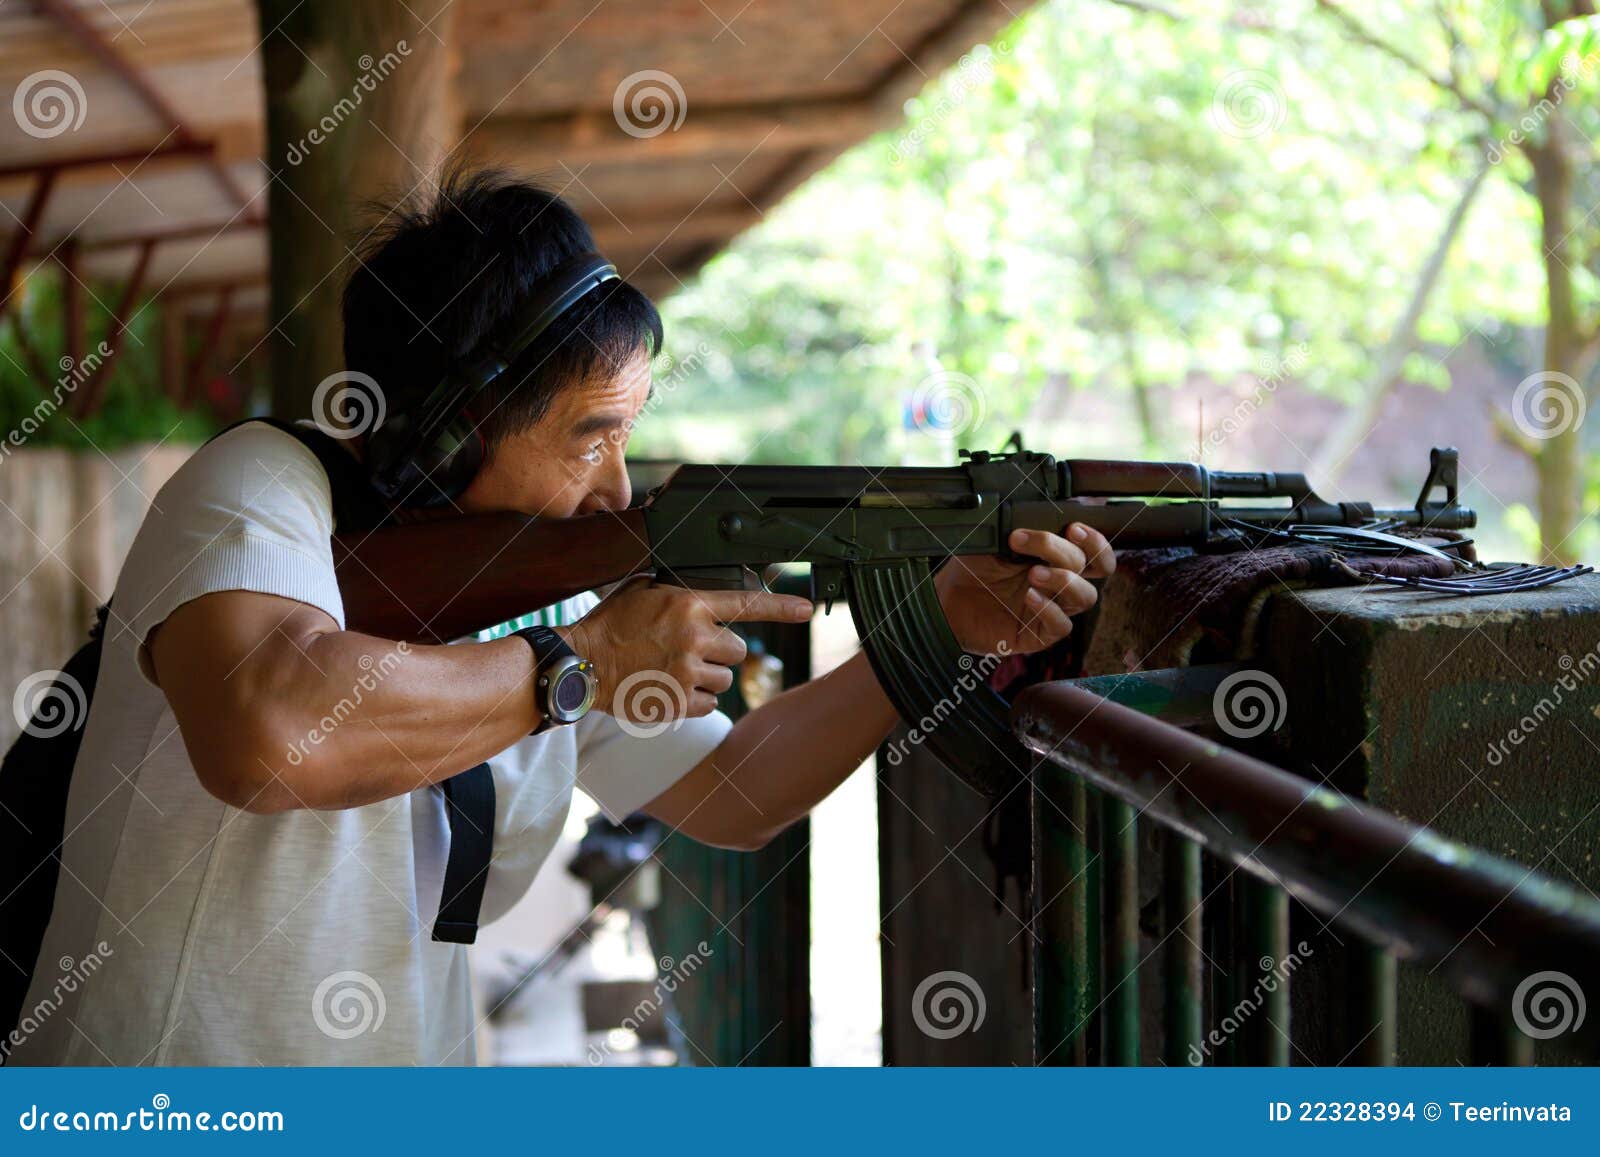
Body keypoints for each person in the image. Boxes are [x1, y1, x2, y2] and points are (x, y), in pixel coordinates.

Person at [10, 169, 1112, 1066]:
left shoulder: (544, 585)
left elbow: (735, 791)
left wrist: (935, 630)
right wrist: (570, 663)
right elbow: (267, 732)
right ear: (453, 429)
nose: (619, 490)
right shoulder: (258, 485)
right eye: (589, 435)